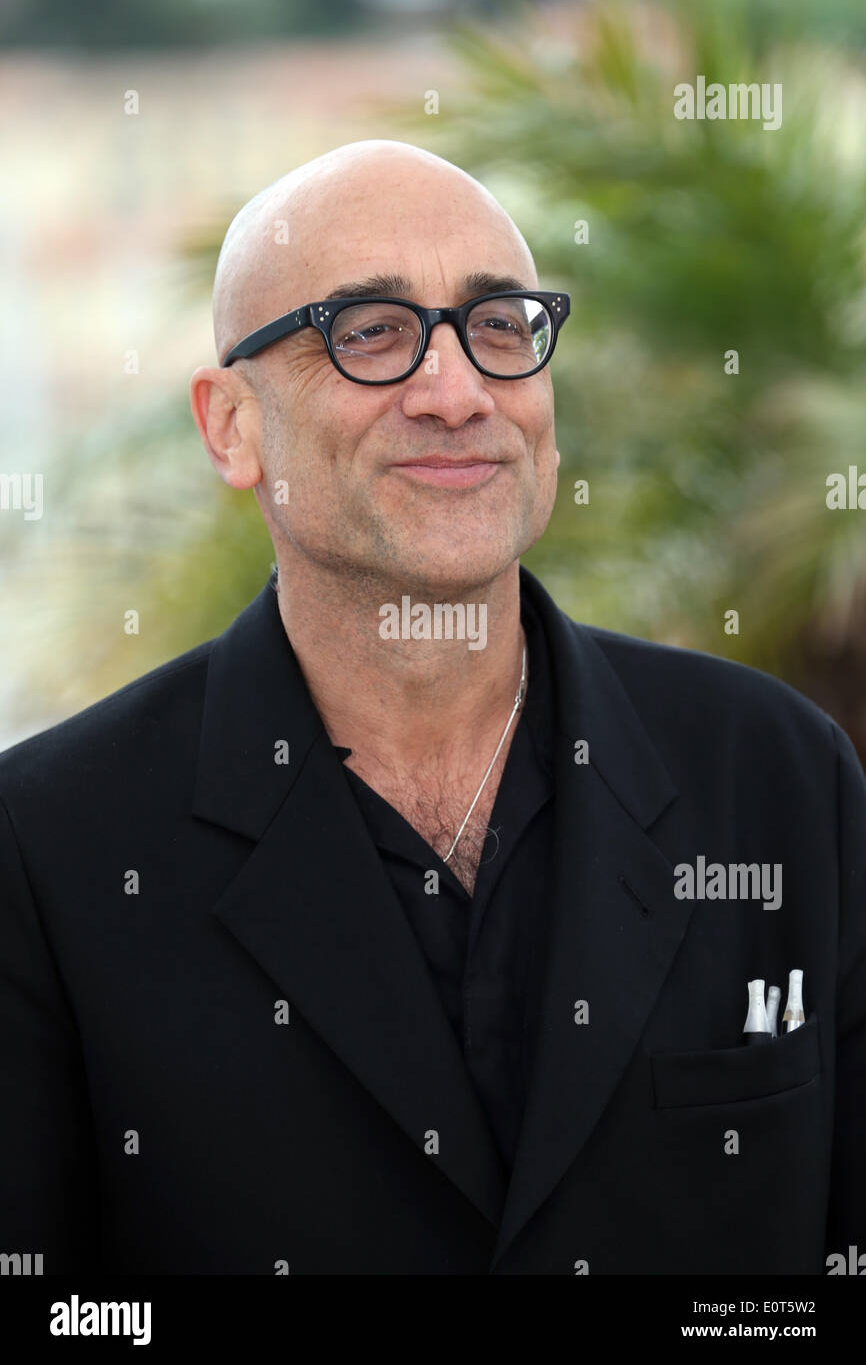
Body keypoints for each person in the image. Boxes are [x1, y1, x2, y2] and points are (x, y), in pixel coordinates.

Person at [0, 140, 863, 1276]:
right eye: (366, 333)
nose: (455, 393)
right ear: (230, 426)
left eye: (499, 325)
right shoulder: (51, 844)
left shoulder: (774, 772)